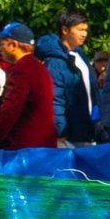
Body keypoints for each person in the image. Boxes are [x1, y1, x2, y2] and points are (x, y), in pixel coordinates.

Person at [0, 23, 60, 150]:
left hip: (25, 148)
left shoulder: (21, 69)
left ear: (13, 45)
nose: (0, 50)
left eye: (2, 45)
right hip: (43, 144)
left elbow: (10, 111)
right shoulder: (38, 67)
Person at [37, 11, 99, 145]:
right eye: (80, 30)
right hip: (69, 133)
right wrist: (60, 130)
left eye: (85, 30)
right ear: (65, 30)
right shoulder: (55, 61)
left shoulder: (80, 54)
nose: (84, 34)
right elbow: (55, 98)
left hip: (87, 127)